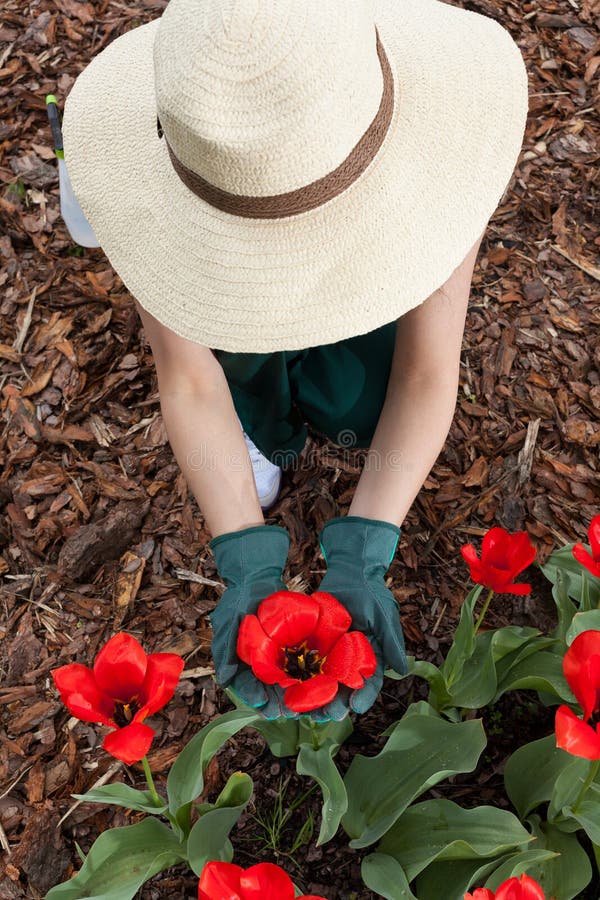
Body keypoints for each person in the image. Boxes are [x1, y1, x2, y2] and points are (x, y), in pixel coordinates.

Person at [58, 0, 529, 720]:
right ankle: (257, 409)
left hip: (359, 251)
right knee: (235, 360)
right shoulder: (168, 153)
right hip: (213, 265)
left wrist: (366, 545)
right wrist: (242, 551)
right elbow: (187, 376)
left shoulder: (438, 149)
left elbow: (427, 368)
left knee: (360, 400)